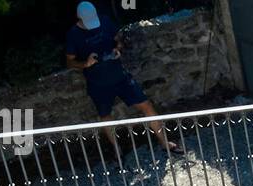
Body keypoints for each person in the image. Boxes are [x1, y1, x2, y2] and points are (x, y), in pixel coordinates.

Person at [66, 3, 180, 160]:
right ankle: (117, 149)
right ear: (79, 18)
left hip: (120, 76)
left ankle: (165, 142)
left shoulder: (104, 20)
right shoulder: (73, 34)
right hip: (98, 84)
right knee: (105, 116)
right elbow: (70, 62)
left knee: (146, 105)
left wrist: (118, 49)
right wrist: (85, 63)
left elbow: (118, 38)